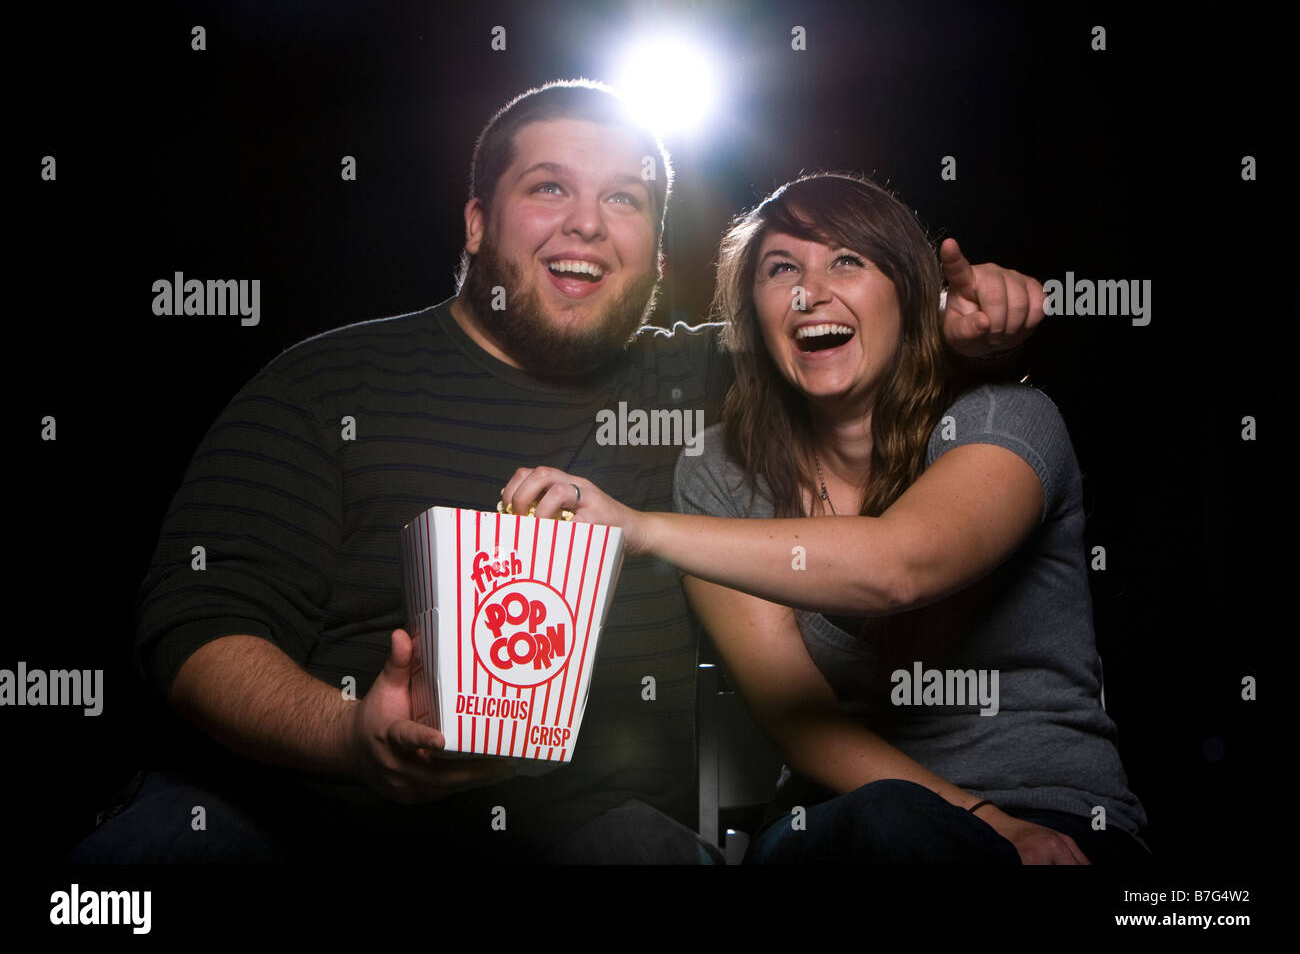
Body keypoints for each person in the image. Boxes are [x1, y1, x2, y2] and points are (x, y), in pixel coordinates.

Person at [70, 82, 1043, 865]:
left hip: (584, 813)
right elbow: (197, 626)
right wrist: (347, 735)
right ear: (476, 221)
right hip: (299, 796)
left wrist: (966, 333)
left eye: (622, 198)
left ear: (655, 253)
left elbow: (845, 343)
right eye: (549, 188)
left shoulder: (712, 381)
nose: (586, 223)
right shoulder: (323, 384)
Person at [502, 172, 1149, 864]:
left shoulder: (1005, 418)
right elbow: (799, 724)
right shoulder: (718, 473)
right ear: (752, 312)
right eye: (783, 269)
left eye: (848, 260)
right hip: (838, 826)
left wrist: (643, 529)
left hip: (1048, 819)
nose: (810, 292)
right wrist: (973, 818)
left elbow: (901, 567)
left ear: (908, 294)